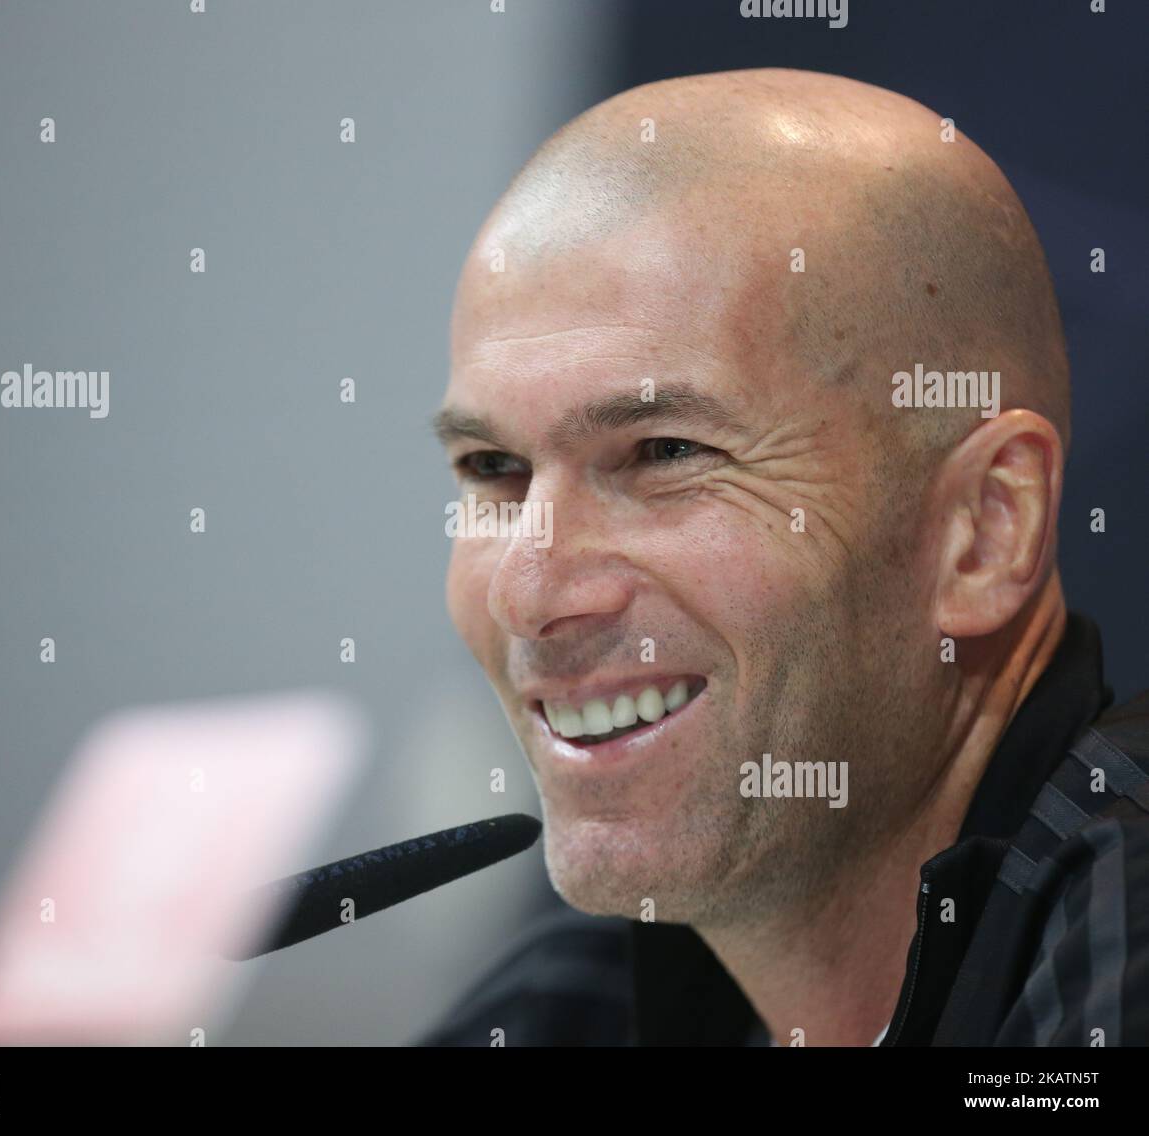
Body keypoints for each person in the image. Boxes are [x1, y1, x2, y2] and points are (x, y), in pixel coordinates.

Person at [420, 68, 1149, 1046]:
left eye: (666, 452)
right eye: (494, 467)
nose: (527, 591)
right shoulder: (582, 987)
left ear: (984, 527)